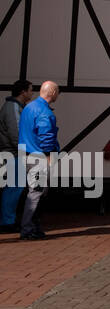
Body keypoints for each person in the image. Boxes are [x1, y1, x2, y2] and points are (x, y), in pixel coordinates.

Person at [18, 81, 60, 240]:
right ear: (53, 93)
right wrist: (49, 156)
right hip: (39, 157)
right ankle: (29, 229)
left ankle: (33, 227)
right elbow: (46, 137)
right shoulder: (45, 112)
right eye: (58, 92)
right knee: (36, 194)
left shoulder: (29, 107)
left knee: (34, 192)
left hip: (26, 154)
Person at [1, 79, 34, 232]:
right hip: (13, 153)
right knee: (14, 187)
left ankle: (8, 219)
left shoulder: (17, 107)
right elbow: (16, 133)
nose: (31, 93)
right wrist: (26, 151)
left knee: (14, 187)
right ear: (23, 92)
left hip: (13, 152)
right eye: (30, 90)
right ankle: (7, 222)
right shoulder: (13, 108)